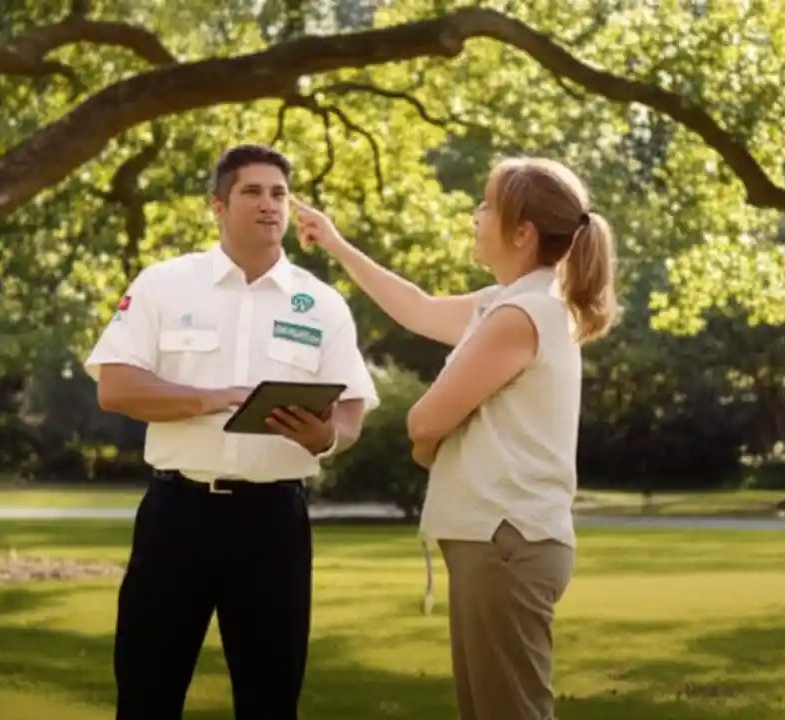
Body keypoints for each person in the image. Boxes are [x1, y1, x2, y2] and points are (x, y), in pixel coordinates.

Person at [293, 156, 618, 720]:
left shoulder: (523, 314)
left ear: (523, 233)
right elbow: (416, 309)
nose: (475, 215)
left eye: (487, 206)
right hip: (502, 539)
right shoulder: (509, 305)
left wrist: (427, 445)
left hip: (505, 540)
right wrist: (337, 245)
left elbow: (422, 422)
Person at [84, 144, 379, 720]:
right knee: (147, 691)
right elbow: (115, 387)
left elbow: (348, 417)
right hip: (177, 513)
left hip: (274, 524)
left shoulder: (321, 304)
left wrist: (322, 439)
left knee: (271, 698)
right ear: (216, 205)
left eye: (279, 194)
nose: (269, 205)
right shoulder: (163, 285)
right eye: (252, 192)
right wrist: (210, 399)